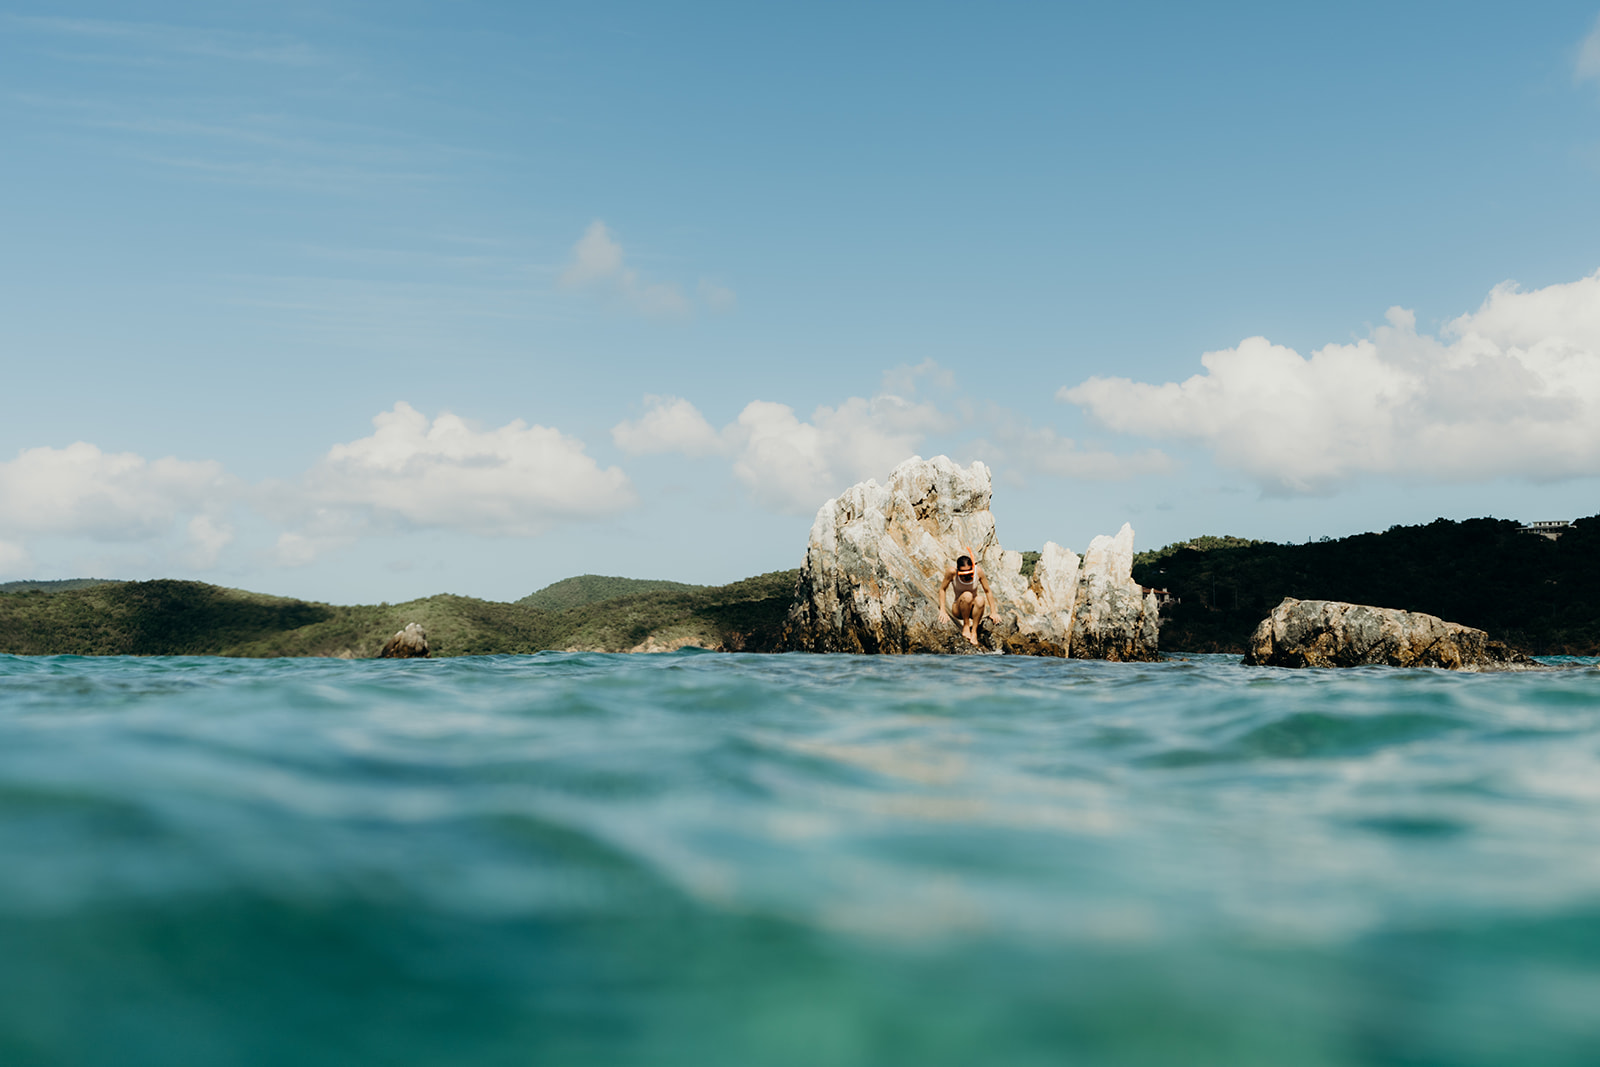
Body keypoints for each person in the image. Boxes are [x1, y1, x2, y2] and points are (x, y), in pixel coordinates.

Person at [939, 545, 998, 647]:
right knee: (967, 595)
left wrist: (993, 612)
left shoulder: (978, 572)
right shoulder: (952, 573)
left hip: (974, 610)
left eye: (969, 573)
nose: (966, 576)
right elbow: (942, 589)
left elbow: (987, 591)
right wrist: (942, 610)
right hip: (959, 608)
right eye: (963, 574)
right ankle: (966, 625)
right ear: (958, 570)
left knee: (980, 599)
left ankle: (973, 631)